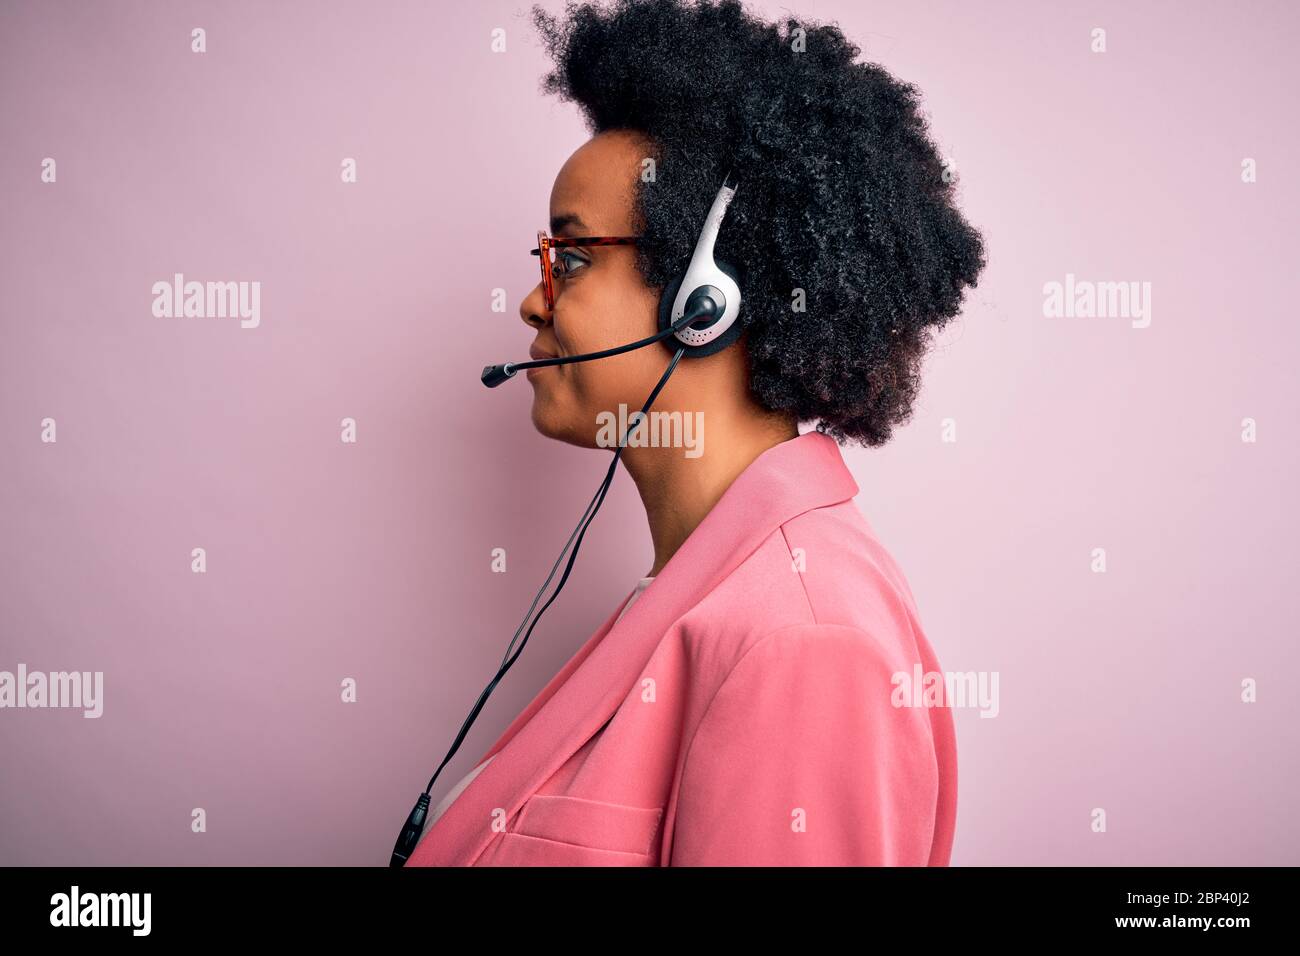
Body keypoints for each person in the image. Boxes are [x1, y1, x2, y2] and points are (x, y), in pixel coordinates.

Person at [406, 0, 985, 866]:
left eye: (568, 259)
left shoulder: (802, 643)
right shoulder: (705, 590)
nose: (534, 299)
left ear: (704, 301)